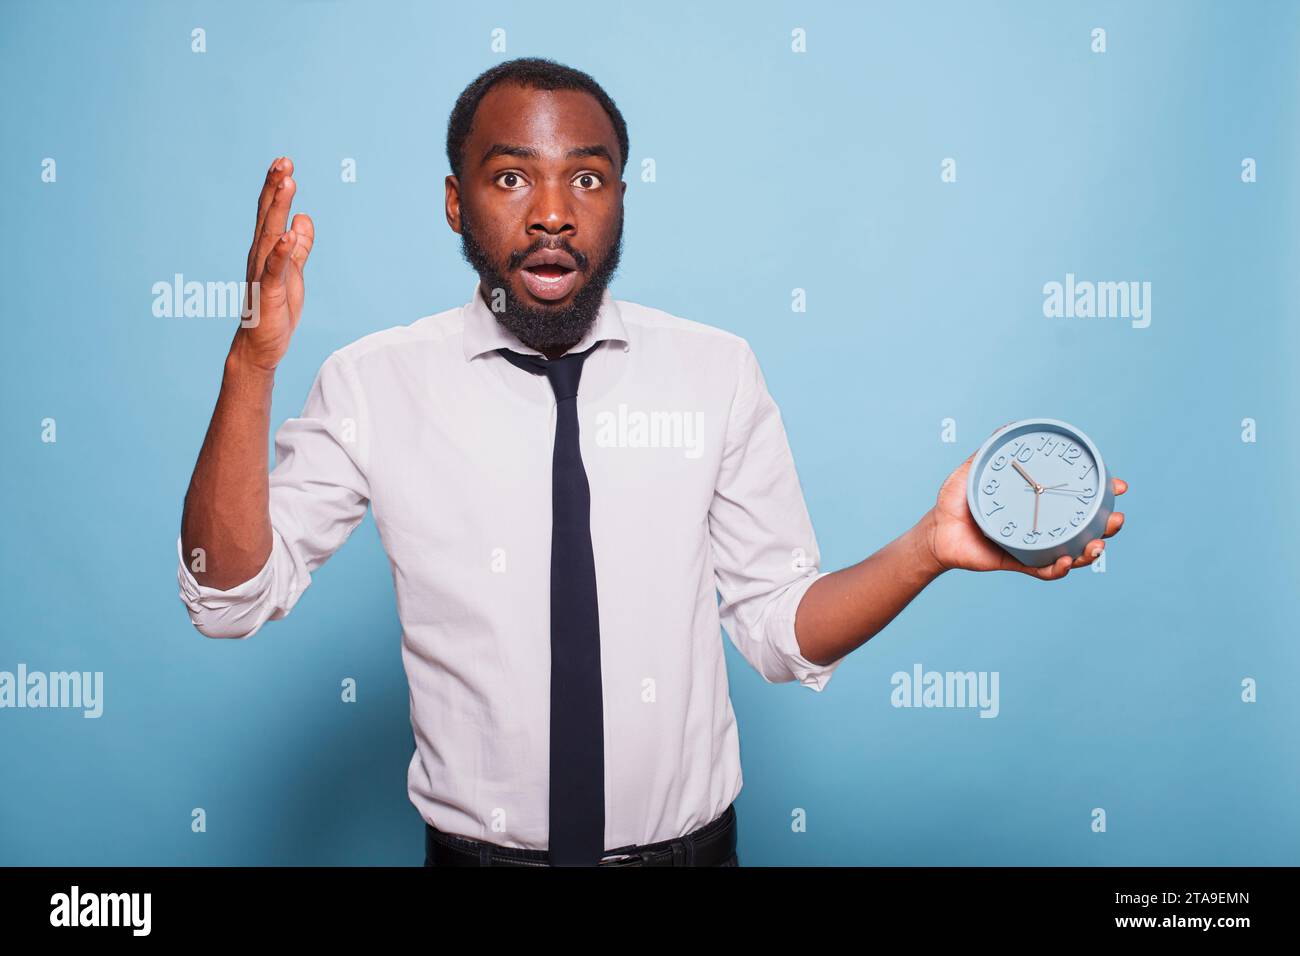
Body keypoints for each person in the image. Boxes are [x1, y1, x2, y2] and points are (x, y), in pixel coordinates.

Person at [176, 57, 1128, 868]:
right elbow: (229, 599)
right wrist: (252, 363)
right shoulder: (371, 384)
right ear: (455, 200)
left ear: (621, 198)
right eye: (511, 178)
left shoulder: (715, 371)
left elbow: (778, 630)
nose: (553, 213)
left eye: (587, 179)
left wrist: (930, 545)